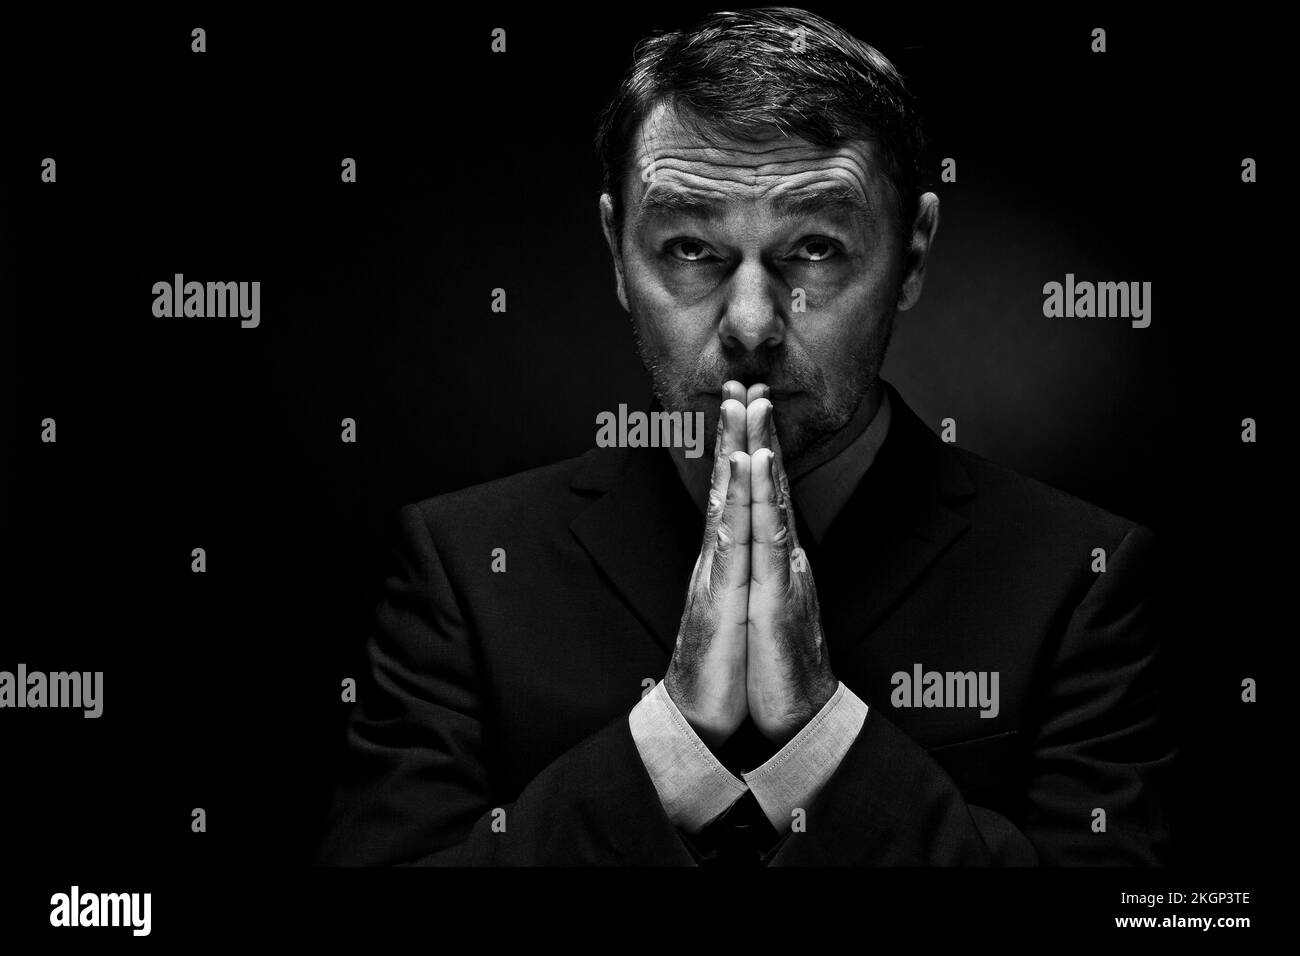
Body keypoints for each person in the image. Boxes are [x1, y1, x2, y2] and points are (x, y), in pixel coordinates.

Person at [315, 6, 1173, 866]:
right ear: (617, 252)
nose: (754, 324)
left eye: (815, 249)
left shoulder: (1081, 579)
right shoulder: (463, 566)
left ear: (911, 255)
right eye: (691, 248)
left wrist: (826, 739)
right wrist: (667, 745)